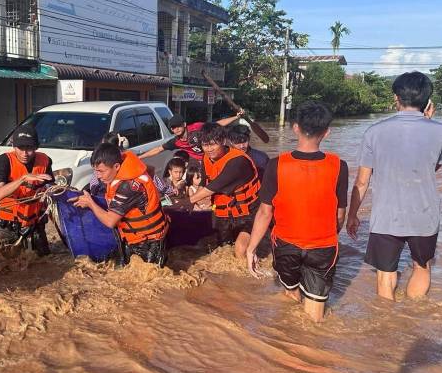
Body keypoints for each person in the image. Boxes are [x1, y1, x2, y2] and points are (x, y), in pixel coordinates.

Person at [347, 72, 442, 302]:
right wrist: (427, 122)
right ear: (427, 101)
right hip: (425, 215)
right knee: (422, 267)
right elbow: (428, 168)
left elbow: (362, 181)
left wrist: (352, 215)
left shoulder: (374, 132)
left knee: (385, 274)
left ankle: (387, 329)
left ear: (396, 98)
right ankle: (413, 317)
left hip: (386, 215)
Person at [245, 102, 348, 323]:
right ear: (327, 132)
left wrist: (251, 249)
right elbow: (340, 214)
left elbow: (265, 212)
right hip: (323, 245)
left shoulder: (276, 165)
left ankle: (286, 342)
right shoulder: (339, 166)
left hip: (285, 245)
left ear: (295, 128)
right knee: (314, 315)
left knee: (291, 293)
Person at [72, 144, 168, 266]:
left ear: (117, 166)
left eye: (101, 171)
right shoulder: (131, 166)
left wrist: (90, 203)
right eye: (95, 171)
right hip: (134, 237)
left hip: (150, 242)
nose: (98, 176)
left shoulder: (128, 186)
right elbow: (150, 169)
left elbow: (110, 221)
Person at [188, 123, 260, 258]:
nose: (208, 149)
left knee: (240, 250)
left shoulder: (238, 161)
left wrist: (186, 202)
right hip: (224, 212)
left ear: (223, 141)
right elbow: (203, 185)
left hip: (249, 212)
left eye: (212, 144)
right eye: (205, 145)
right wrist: (194, 204)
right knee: (223, 251)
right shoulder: (206, 158)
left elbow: (213, 187)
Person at [0, 126, 53, 255]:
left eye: (29, 149)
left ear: (36, 147)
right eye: (21, 148)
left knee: (44, 262)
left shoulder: (45, 161)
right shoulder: (3, 161)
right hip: (8, 226)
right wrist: (23, 179)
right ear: (13, 146)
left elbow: (50, 185)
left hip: (35, 224)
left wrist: (48, 190)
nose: (25, 153)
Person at [139, 111, 244, 162]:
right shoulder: (176, 142)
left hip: (212, 156)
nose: (176, 129)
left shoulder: (196, 127)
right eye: (173, 128)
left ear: (184, 124)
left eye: (178, 126)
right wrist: (140, 157)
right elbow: (158, 149)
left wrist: (236, 116)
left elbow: (218, 124)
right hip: (197, 162)